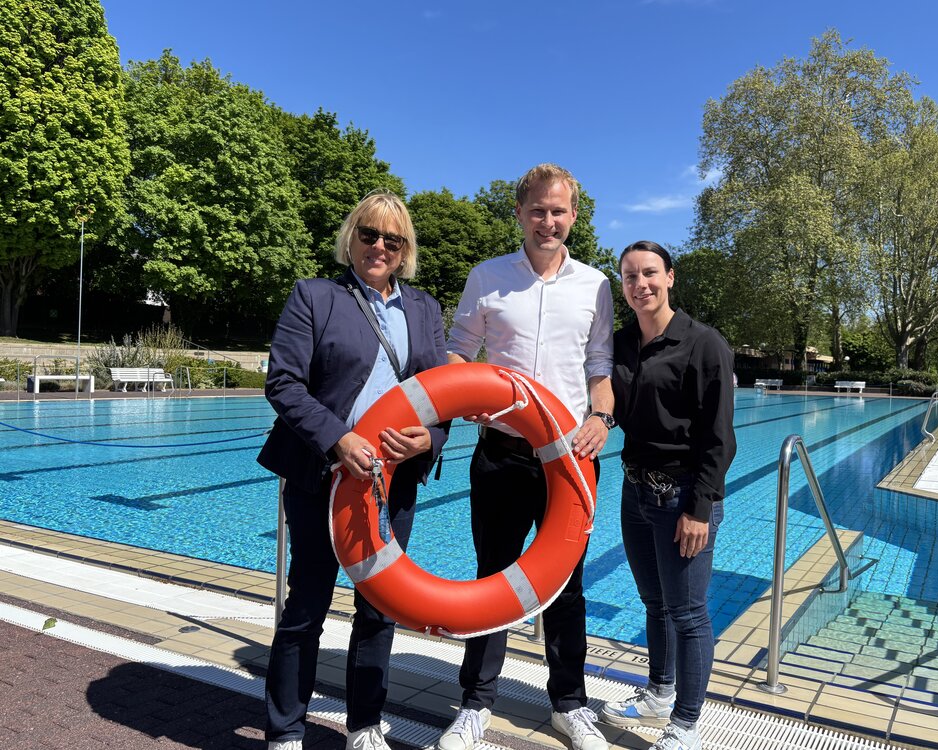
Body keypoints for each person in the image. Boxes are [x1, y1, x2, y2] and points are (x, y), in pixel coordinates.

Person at [258, 191, 449, 750]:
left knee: (378, 608)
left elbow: (441, 398)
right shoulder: (315, 297)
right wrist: (337, 438)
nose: (380, 246)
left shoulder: (424, 309)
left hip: (391, 484)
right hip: (322, 474)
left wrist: (429, 441)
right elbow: (284, 383)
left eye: (394, 239)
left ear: (406, 249)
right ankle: (286, 730)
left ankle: (365, 726)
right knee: (308, 602)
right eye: (370, 234)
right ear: (352, 237)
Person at [440, 164, 614, 750]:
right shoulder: (487, 277)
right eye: (537, 210)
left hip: (567, 463)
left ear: (573, 216)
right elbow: (458, 352)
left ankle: (570, 703)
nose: (548, 221)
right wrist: (463, 391)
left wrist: (602, 416)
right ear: (519, 213)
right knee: (492, 575)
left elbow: (601, 369)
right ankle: (475, 703)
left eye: (558, 211)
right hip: (500, 454)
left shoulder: (595, 285)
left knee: (567, 584)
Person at [599, 241, 736, 750]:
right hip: (635, 493)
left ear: (670, 277)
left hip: (682, 497)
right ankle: (659, 691)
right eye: (630, 276)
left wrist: (699, 510)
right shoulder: (622, 343)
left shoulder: (704, 344)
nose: (641, 284)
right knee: (654, 603)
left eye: (650, 273)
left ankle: (685, 724)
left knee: (689, 613)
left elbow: (720, 438)